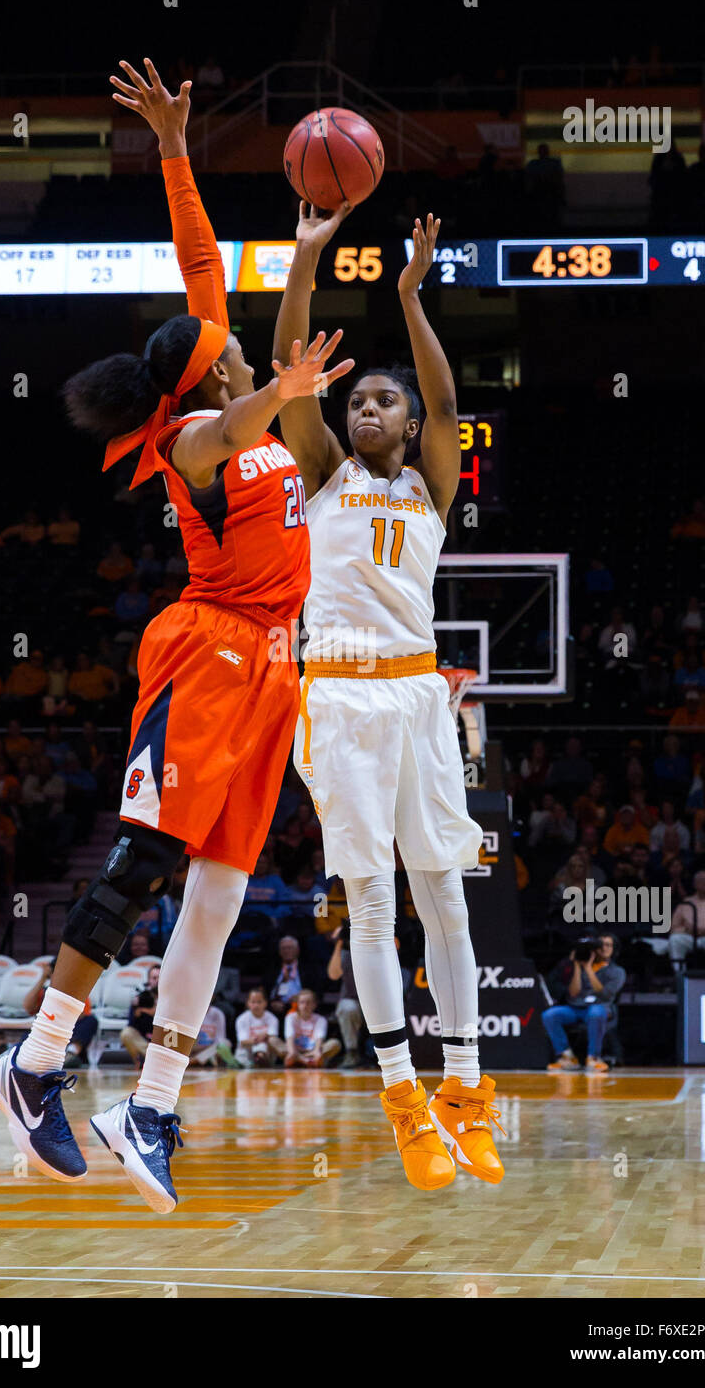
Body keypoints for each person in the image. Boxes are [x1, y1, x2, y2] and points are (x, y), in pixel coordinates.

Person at [0, 61, 351, 1215]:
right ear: (207, 383)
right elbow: (227, 414)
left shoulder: (226, 376)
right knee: (143, 861)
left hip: (273, 667)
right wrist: (270, 390)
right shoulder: (193, 436)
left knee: (222, 893)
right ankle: (31, 1061)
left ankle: (149, 1102)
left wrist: (178, 151)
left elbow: (196, 266)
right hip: (206, 650)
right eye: (231, 354)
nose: (235, 344)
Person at [274, 193, 503, 1191]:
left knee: (443, 896)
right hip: (337, 703)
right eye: (356, 399)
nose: (365, 409)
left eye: (381, 401)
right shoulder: (322, 470)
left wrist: (411, 295)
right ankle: (402, 1096)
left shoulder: (429, 484)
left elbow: (451, 407)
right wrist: (301, 262)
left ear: (407, 425)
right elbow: (291, 380)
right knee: (369, 908)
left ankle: (466, 1089)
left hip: (415, 701)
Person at [542, 935, 626, 1073]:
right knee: (550, 1015)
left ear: (614, 949)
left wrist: (588, 969)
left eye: (608, 945)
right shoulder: (580, 966)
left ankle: (593, 1057)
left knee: (595, 1013)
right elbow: (573, 993)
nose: (604, 948)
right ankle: (566, 1056)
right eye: (601, 945)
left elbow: (604, 993)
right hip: (576, 1008)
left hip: (600, 1007)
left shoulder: (617, 971)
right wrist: (577, 966)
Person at [643, 869, 705, 969]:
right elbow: (674, 926)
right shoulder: (686, 902)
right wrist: (688, 930)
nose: (704, 883)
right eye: (700, 881)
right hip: (689, 936)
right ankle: (679, 973)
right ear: (694, 884)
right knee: (675, 939)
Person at [22, 958, 98, 1068]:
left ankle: (70, 1055)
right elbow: (27, 1007)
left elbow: (82, 1014)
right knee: (32, 1029)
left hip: (68, 1029)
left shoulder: (76, 989)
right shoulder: (44, 991)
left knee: (91, 1021)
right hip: (47, 1029)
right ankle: (26, 1056)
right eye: (56, 973)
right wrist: (43, 978)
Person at [326, 923, 364, 1067]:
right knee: (347, 1007)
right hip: (354, 1001)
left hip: (377, 1002)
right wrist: (340, 942)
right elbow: (333, 974)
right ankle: (351, 1052)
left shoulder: (374, 944)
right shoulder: (345, 952)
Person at [284, 989, 341, 1068]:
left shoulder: (320, 1019)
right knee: (274, 1041)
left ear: (314, 1005)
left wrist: (316, 1051)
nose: (305, 1005)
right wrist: (292, 1052)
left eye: (308, 1002)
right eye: (302, 1002)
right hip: (295, 1050)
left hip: (312, 1051)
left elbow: (319, 1038)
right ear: (297, 1004)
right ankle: (307, 1061)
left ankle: (300, 1060)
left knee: (335, 1044)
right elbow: (289, 1036)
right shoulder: (290, 1017)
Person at [234, 987, 286, 1067]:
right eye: (253, 1002)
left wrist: (263, 1037)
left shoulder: (272, 1019)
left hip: (267, 1054)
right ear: (248, 1003)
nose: (256, 1005)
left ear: (265, 1003)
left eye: (259, 1002)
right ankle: (257, 1059)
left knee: (272, 1041)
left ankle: (263, 1058)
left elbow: (273, 1038)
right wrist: (260, 1038)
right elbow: (243, 1042)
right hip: (247, 1055)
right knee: (259, 1046)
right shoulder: (241, 1019)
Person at [121, 967, 160, 1066]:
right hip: (145, 1039)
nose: (157, 981)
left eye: (160, 978)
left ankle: (152, 1059)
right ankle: (155, 1059)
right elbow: (131, 1024)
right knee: (126, 1033)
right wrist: (137, 1009)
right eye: (154, 978)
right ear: (149, 981)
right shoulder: (141, 997)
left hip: (165, 1040)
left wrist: (148, 1011)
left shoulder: (171, 997)